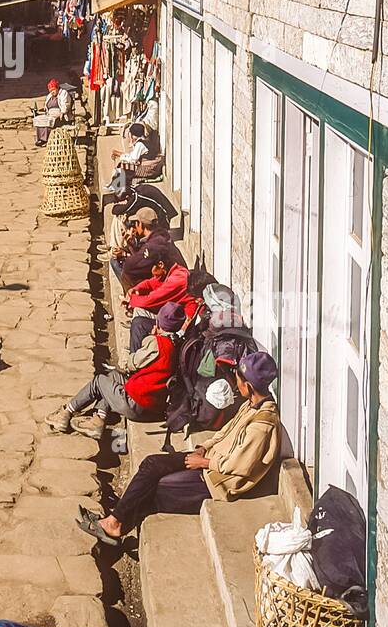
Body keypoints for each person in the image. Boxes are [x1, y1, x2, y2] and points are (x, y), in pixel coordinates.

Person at [76, 351, 282, 545]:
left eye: (238, 378)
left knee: (158, 489)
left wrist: (205, 462)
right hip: (209, 460)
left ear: (249, 385)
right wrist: (203, 448)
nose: (235, 382)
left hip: (217, 480)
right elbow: (224, 434)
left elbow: (242, 465)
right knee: (151, 463)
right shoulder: (249, 406)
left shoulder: (262, 424)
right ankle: (115, 521)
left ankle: (114, 523)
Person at [45, 303, 182, 441]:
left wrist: (148, 339)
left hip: (136, 403)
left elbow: (133, 363)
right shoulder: (176, 345)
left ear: (158, 324)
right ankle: (99, 419)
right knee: (112, 376)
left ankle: (66, 412)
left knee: (99, 381)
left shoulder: (158, 344)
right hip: (153, 404)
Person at [116, 207, 186, 289]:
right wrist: (131, 244)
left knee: (122, 269)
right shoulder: (162, 235)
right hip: (173, 277)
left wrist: (124, 255)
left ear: (140, 224)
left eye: (135, 223)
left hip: (171, 283)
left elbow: (129, 266)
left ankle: (131, 298)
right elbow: (143, 259)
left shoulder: (153, 245)